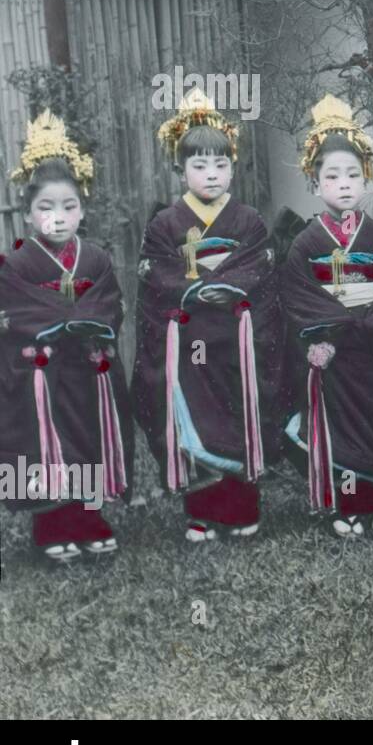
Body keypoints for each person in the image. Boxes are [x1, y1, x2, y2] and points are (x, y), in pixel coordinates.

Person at [133, 89, 282, 543]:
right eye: (199, 165)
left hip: (236, 337)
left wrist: (228, 288)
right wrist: (198, 290)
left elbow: (261, 268)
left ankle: (239, 511)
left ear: (233, 166)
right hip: (188, 339)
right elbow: (156, 278)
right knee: (193, 417)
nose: (211, 174)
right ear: (179, 169)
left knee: (237, 414)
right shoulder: (165, 225)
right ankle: (200, 515)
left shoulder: (249, 220)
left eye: (220, 165)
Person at [0, 112, 132, 562]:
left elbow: (110, 302)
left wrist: (92, 324)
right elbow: (16, 314)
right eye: (46, 208)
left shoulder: (94, 258)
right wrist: (60, 322)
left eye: (69, 207)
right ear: (27, 209)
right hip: (42, 369)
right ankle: (53, 527)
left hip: (87, 368)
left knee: (90, 441)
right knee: (49, 447)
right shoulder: (16, 262)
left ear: (83, 205)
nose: (58, 219)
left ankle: (92, 519)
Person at [281, 95, 373, 538]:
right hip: (333, 351)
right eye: (332, 176)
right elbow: (299, 295)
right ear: (315, 185)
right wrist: (325, 334)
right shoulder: (305, 243)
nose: (344, 184)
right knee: (340, 430)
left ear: (366, 178)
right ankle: (348, 504)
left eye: (354, 174)